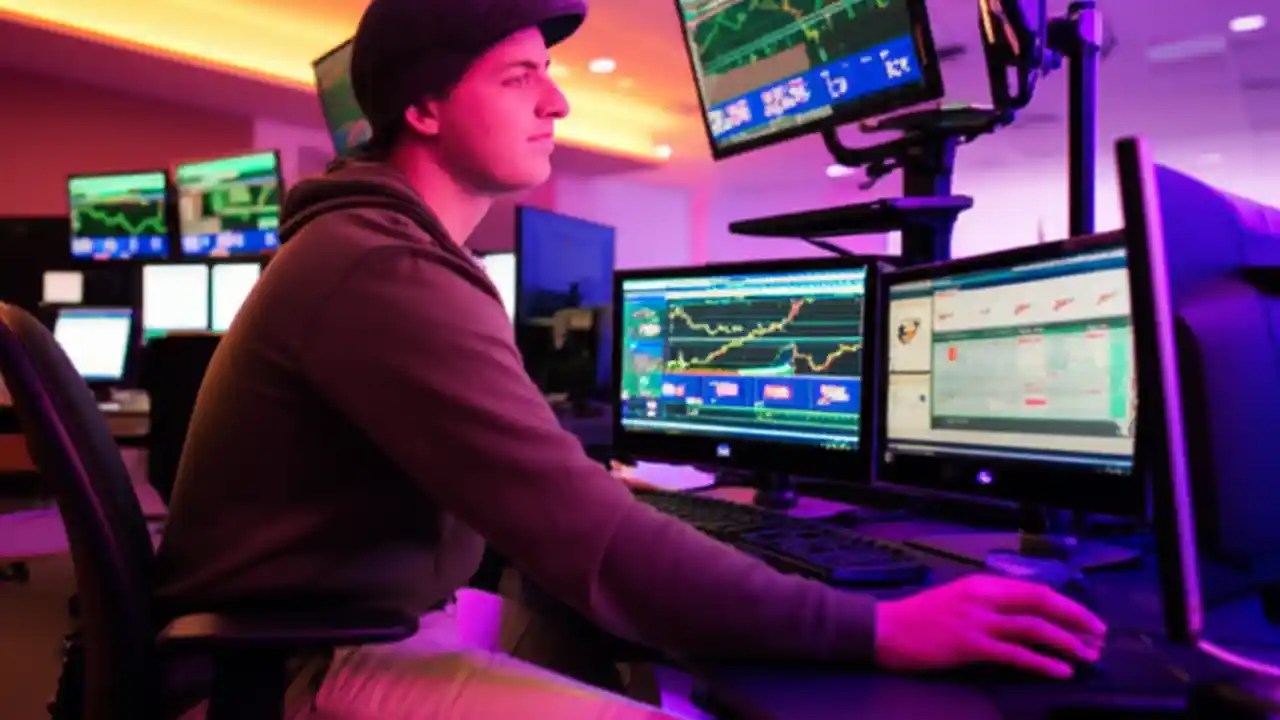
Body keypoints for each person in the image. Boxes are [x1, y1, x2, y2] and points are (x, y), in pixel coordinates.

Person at [153, 0, 1107, 717]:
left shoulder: (379, 251)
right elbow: (594, 541)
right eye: (520, 75)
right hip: (289, 671)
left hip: (345, 627)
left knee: (589, 641)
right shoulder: (379, 267)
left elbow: (561, 511)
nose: (559, 99)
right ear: (429, 107)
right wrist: (882, 626)